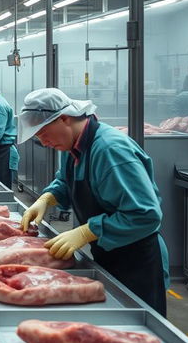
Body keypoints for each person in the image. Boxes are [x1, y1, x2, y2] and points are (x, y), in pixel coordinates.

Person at [18, 87, 169, 316]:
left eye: (43, 132)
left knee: (136, 328)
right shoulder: (74, 145)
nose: (44, 142)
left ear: (65, 118)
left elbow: (145, 214)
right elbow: (67, 181)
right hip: (109, 252)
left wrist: (87, 231)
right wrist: (47, 198)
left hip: (137, 260)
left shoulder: (110, 150)